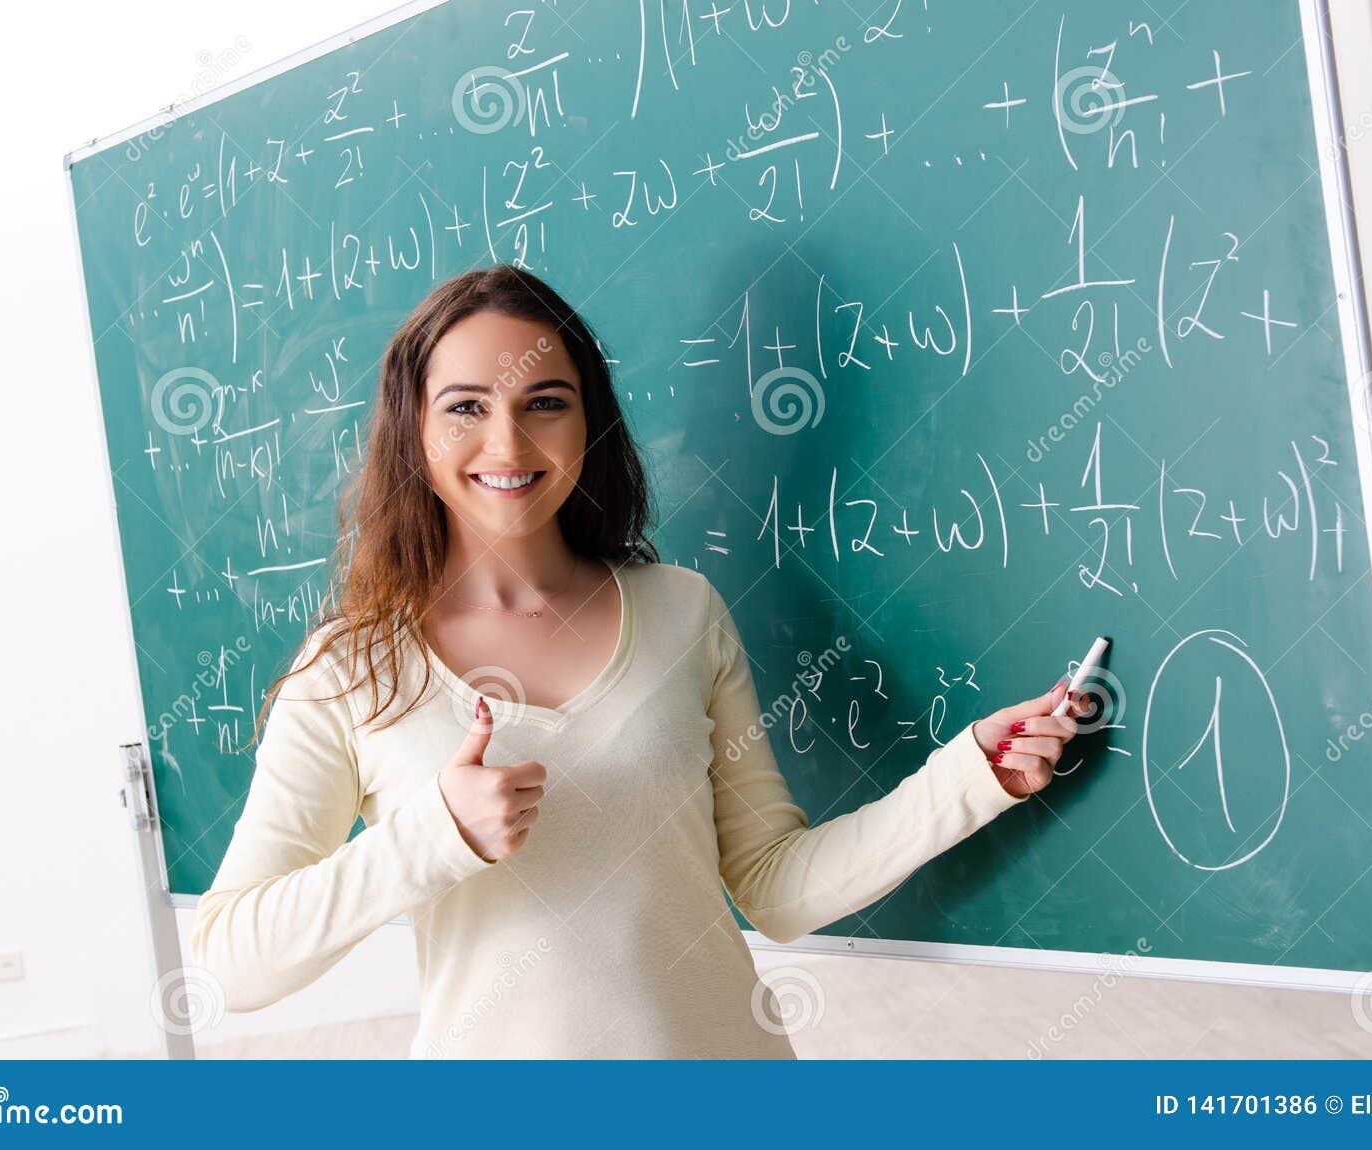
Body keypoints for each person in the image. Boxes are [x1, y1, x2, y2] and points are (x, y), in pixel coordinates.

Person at [190, 264, 1085, 1058]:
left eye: (545, 402)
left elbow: (772, 884)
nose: (507, 444)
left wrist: (971, 775)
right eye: (466, 407)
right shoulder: (352, 667)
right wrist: (430, 839)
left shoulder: (680, 612)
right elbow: (232, 962)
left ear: (589, 423)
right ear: (413, 432)